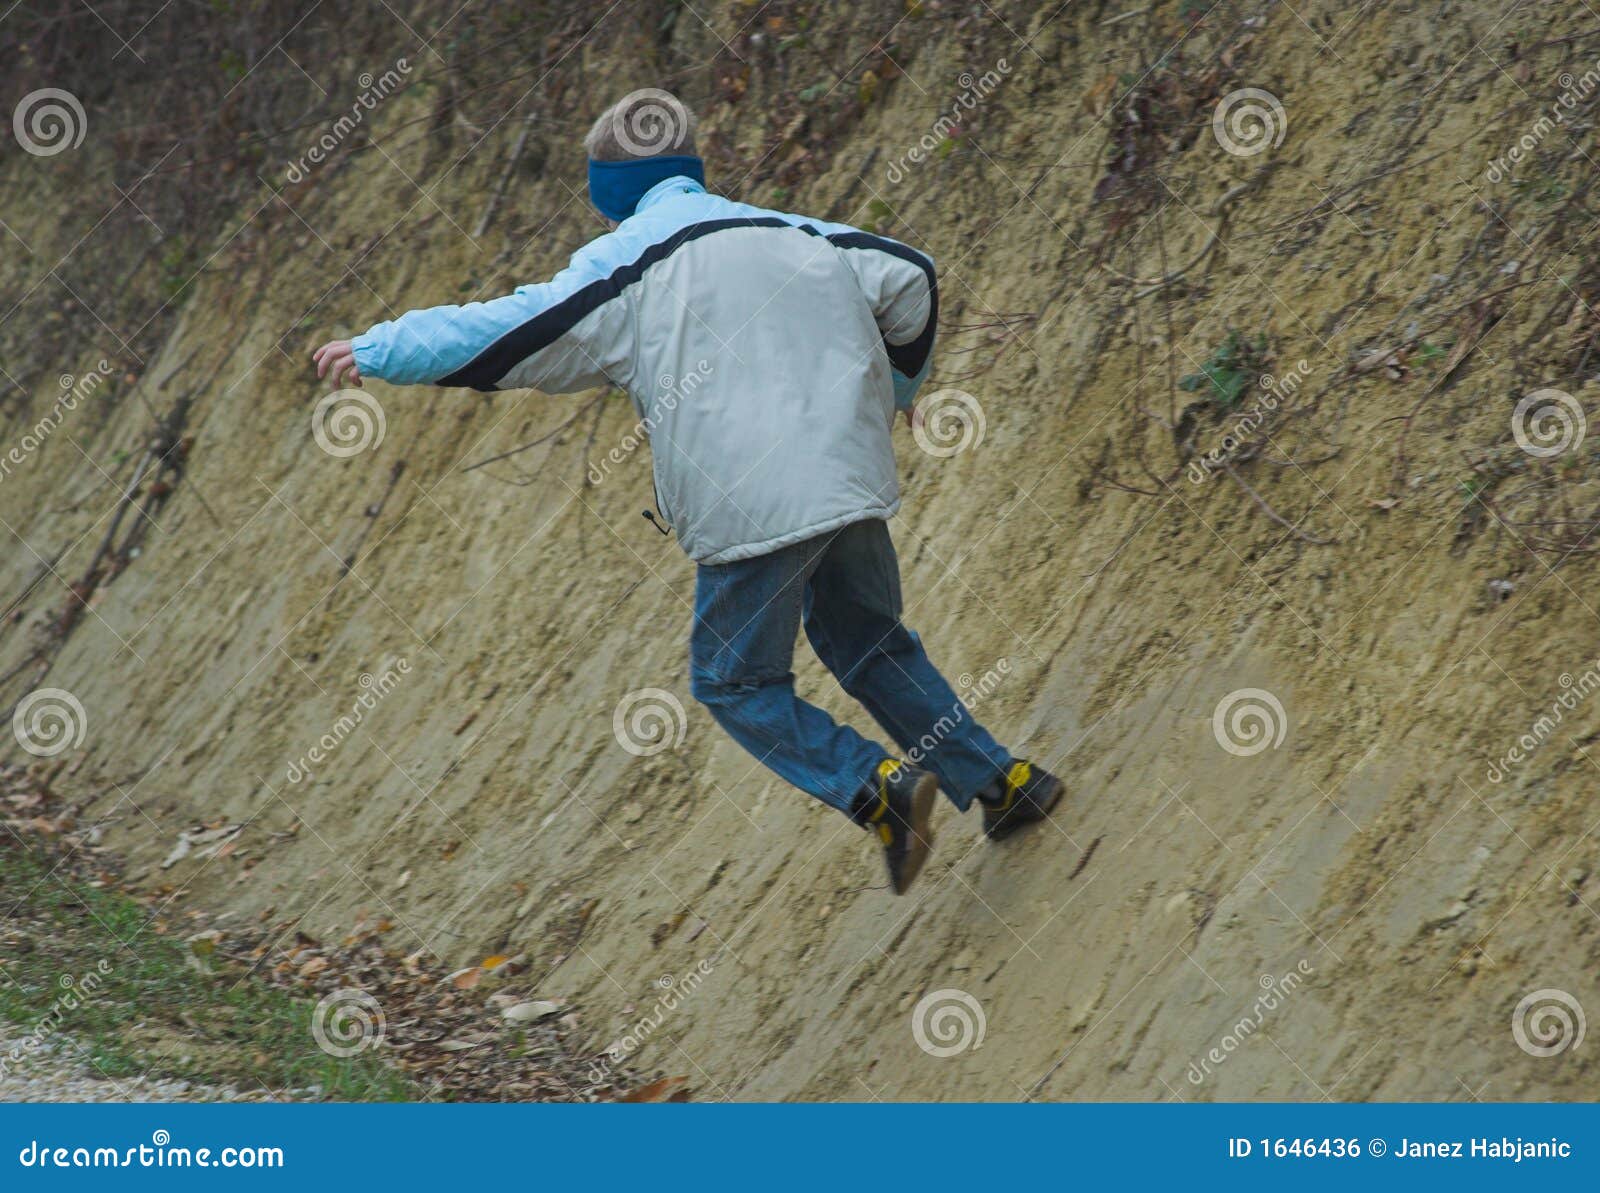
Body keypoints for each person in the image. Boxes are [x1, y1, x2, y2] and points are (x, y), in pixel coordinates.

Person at [312, 91, 1062, 895]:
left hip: (751, 500)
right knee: (870, 641)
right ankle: (1002, 782)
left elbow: (505, 332)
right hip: (847, 475)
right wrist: (899, 386)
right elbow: (911, 275)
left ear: (609, 196)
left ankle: (876, 787)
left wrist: (379, 348)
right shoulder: (794, 231)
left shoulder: (625, 266)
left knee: (733, 680)